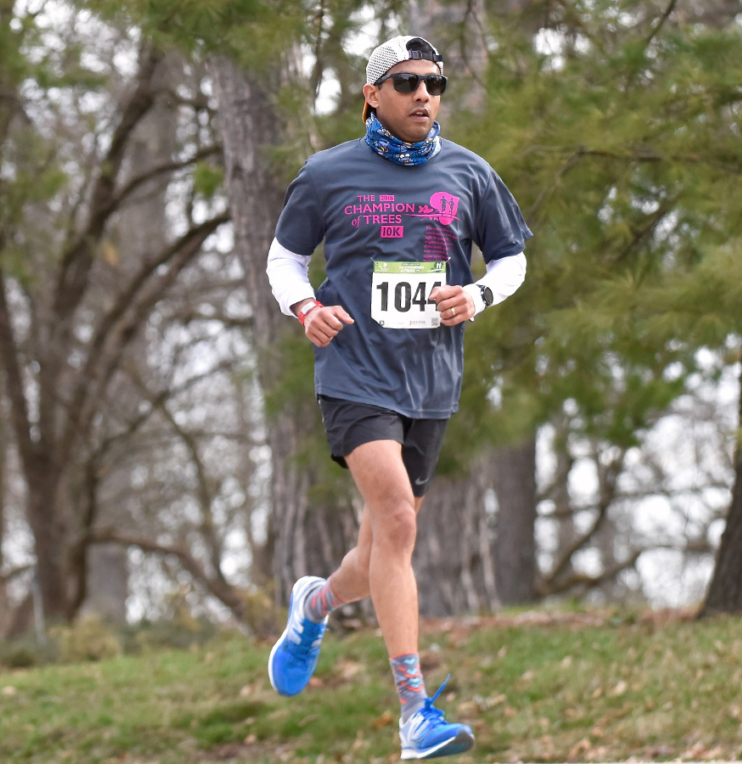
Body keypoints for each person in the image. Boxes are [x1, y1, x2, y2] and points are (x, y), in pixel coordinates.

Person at [263, 35, 531, 760]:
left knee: (379, 547)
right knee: (398, 520)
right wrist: (303, 309)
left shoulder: (470, 173)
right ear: (372, 96)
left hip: (430, 381)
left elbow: (512, 259)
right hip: (354, 370)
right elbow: (284, 257)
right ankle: (416, 712)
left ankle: (315, 604)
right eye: (406, 81)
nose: (423, 95)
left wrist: (475, 294)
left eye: (434, 84)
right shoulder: (326, 174)